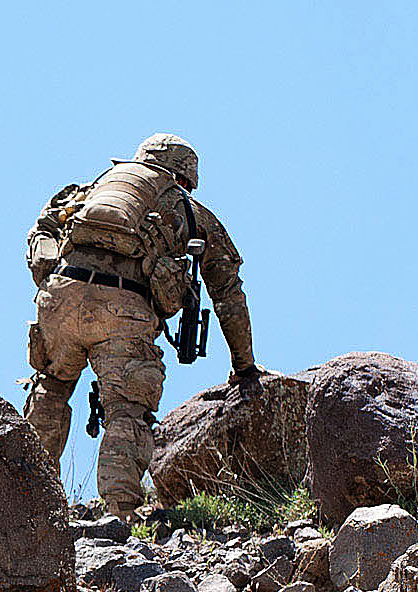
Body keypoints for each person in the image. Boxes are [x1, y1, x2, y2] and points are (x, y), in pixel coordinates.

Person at [23, 133, 258, 518]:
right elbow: (228, 292)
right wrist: (244, 364)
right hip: (125, 310)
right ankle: (119, 515)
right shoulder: (189, 211)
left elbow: (40, 233)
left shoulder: (89, 190)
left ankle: (23, 501)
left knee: (49, 390)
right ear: (183, 177)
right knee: (127, 410)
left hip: (60, 297)